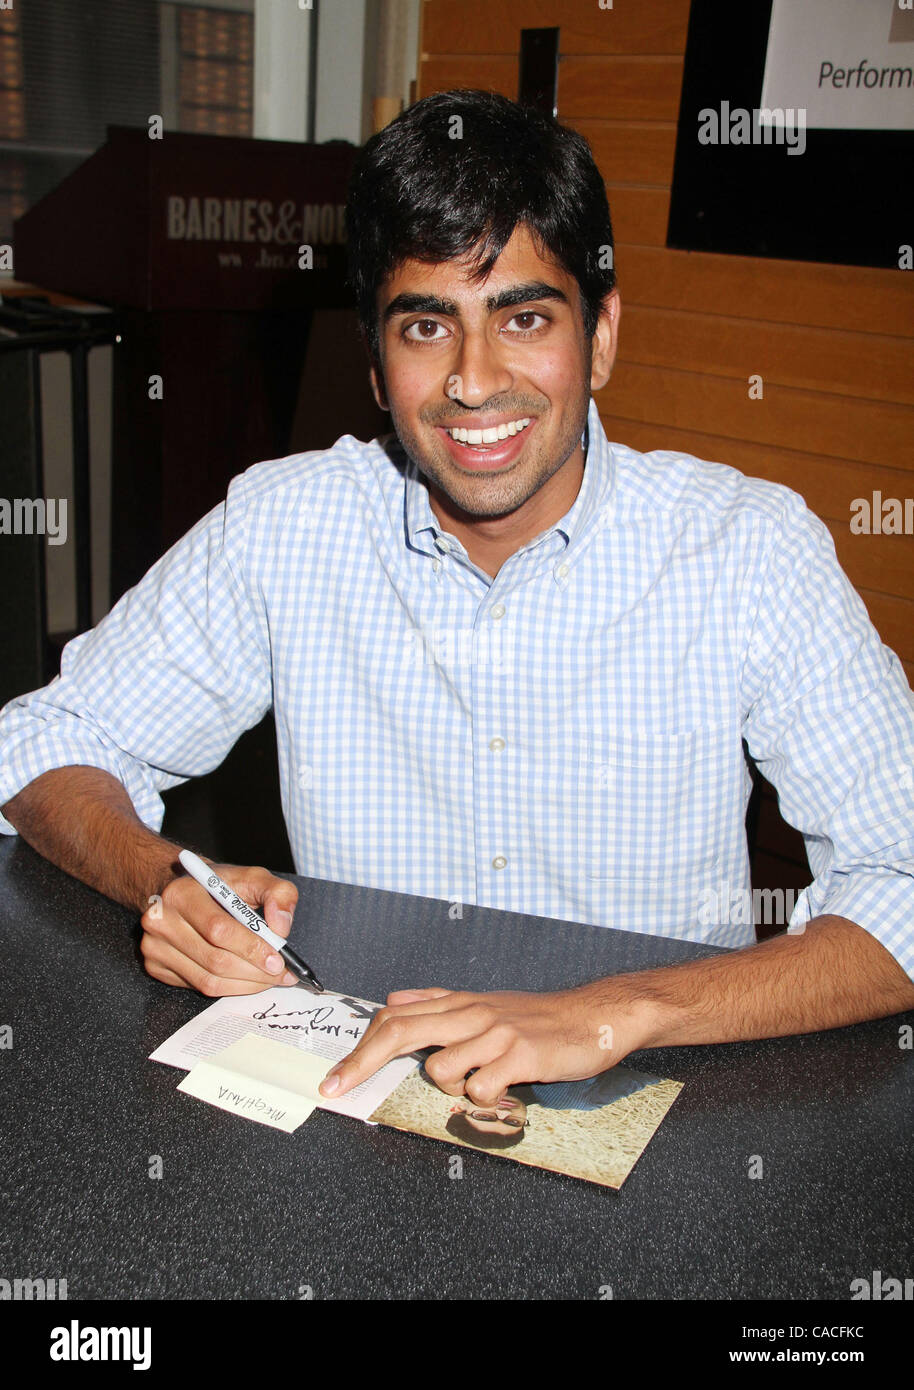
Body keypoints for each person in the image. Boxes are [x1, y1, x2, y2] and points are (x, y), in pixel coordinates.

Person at [1, 90, 912, 1115]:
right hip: (357, 1091)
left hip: (658, 1100)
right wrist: (167, 881)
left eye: (522, 318)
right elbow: (44, 742)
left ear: (600, 337)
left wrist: (617, 1008)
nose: (475, 381)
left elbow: (905, 878)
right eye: (427, 326)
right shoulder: (285, 526)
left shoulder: (747, 550)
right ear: (376, 367)